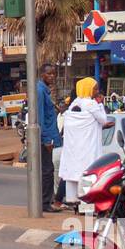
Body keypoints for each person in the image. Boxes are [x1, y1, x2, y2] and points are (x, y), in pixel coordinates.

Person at [59, 77, 114, 207]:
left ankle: (73, 200)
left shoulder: (74, 103)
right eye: (95, 88)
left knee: (74, 172)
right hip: (88, 145)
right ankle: (86, 205)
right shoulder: (91, 104)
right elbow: (103, 120)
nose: (97, 90)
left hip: (74, 146)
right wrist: (100, 104)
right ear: (88, 89)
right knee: (88, 172)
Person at [36, 63, 63, 211]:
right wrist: (46, 139)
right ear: (42, 75)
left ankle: (45, 202)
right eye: (49, 74)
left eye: (54, 74)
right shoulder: (40, 91)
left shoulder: (44, 91)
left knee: (48, 170)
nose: (52, 76)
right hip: (44, 138)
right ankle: (45, 203)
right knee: (47, 171)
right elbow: (39, 117)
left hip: (48, 136)